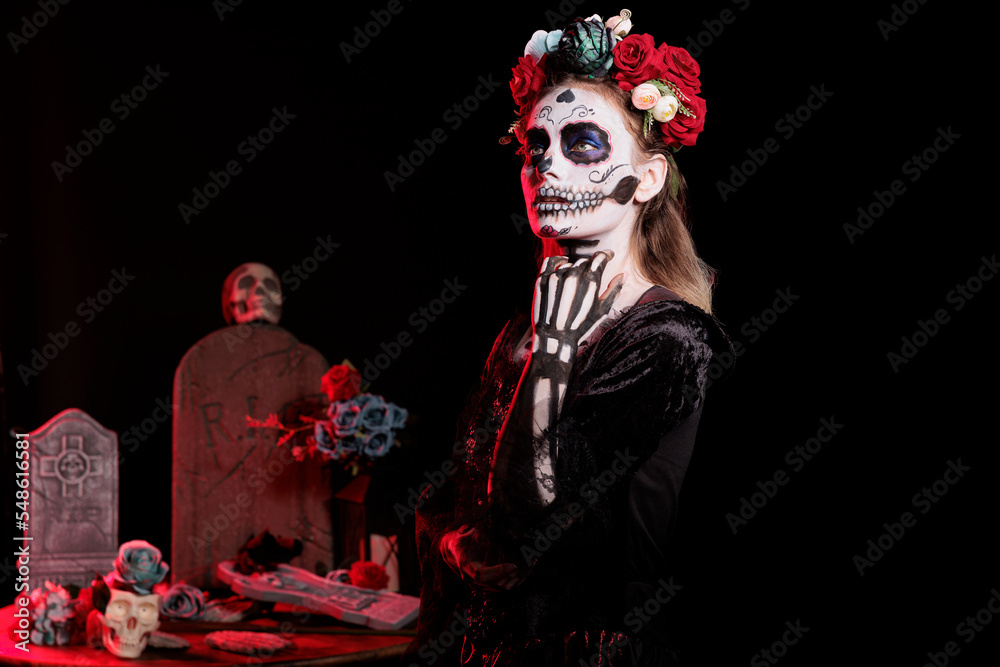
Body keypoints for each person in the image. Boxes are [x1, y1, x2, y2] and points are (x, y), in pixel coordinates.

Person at [405, 12, 733, 666]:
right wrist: (457, 543)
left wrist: (555, 350)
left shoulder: (671, 335)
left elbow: (543, 520)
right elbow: (455, 491)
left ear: (646, 180)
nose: (546, 163)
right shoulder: (522, 326)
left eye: (583, 141)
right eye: (536, 146)